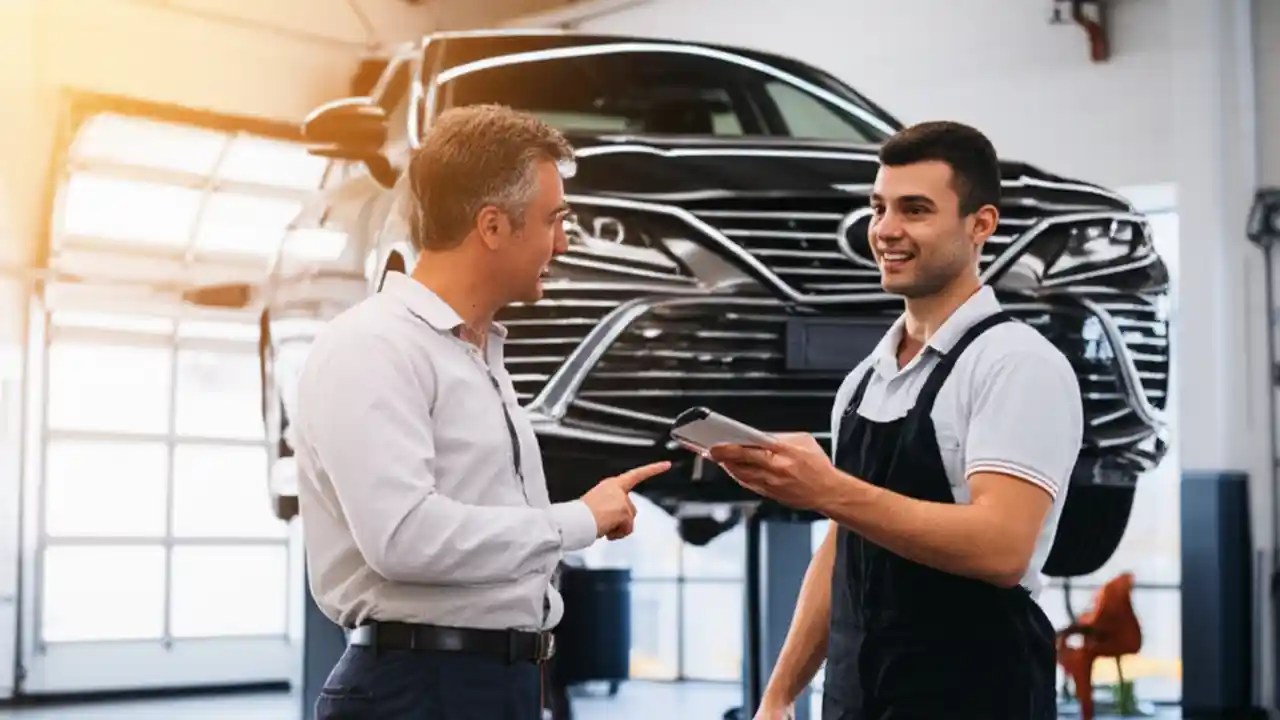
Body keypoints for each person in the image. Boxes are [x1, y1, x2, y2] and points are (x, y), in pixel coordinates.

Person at [293, 104, 671, 719]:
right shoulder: (373, 347)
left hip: (491, 683)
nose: (563, 242)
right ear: (492, 226)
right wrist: (578, 521)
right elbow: (404, 537)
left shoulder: (475, 354)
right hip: (417, 691)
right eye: (554, 220)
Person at [709, 121, 1083, 719]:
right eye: (877, 207)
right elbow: (842, 547)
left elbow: (1001, 547)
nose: (885, 230)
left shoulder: (1016, 364)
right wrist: (779, 696)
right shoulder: (864, 379)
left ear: (980, 224)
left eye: (915, 210)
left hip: (973, 699)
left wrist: (827, 487)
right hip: (857, 699)